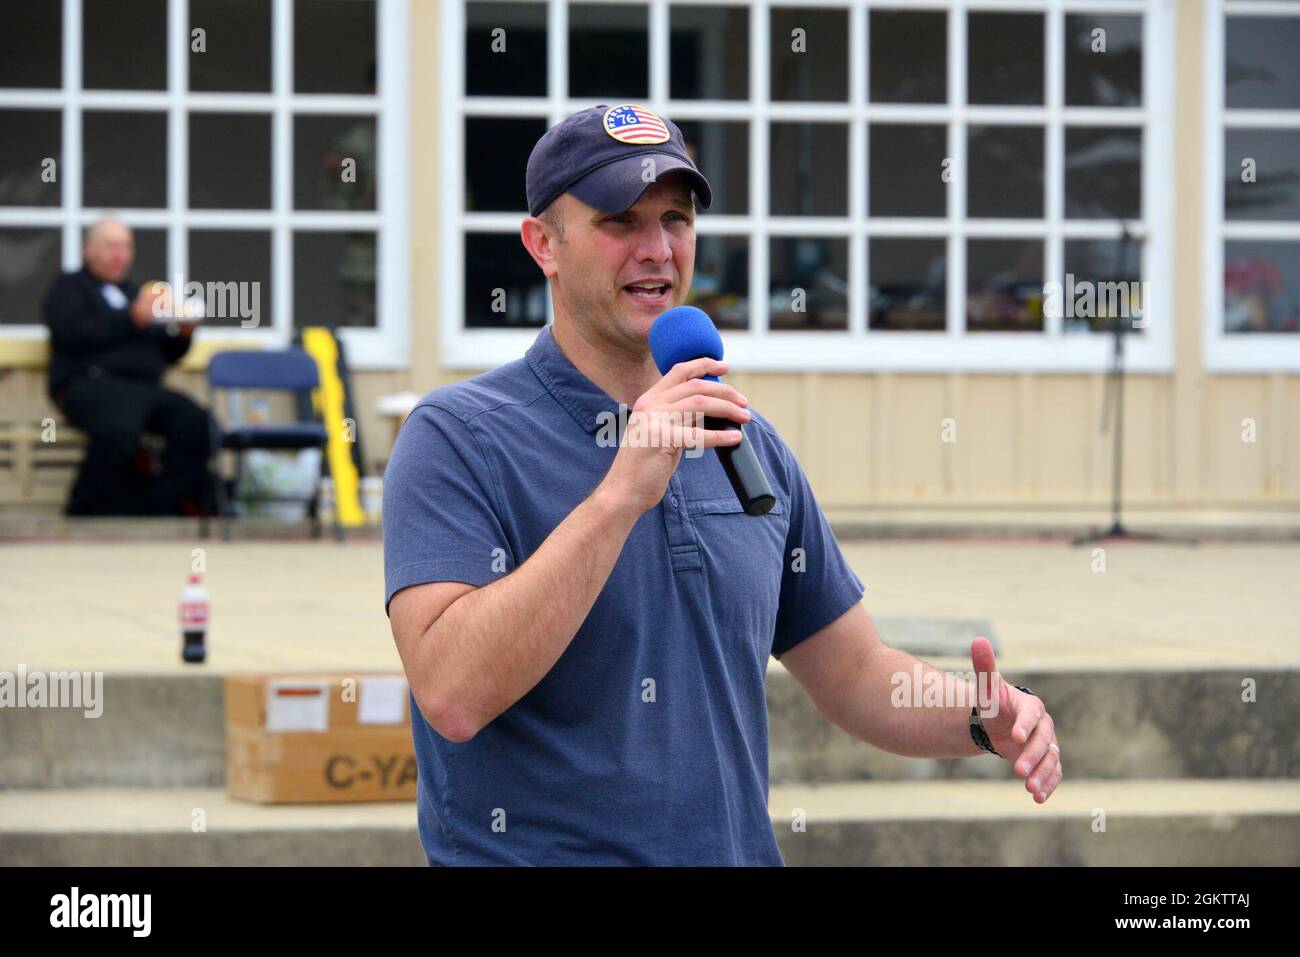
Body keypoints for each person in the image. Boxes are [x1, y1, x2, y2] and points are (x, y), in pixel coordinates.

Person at [383, 104, 1062, 866]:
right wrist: (617, 496)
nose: (657, 249)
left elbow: (855, 673)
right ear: (544, 243)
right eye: (619, 220)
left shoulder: (746, 439)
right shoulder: (457, 437)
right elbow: (452, 693)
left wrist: (980, 715)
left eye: (676, 218)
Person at [43, 218, 215, 516]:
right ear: (88, 249)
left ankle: (164, 503)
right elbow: (72, 333)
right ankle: (83, 508)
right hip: (86, 386)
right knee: (122, 423)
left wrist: (184, 333)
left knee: (197, 422)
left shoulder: (135, 293)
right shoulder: (69, 288)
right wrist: (129, 320)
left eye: (125, 247)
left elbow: (164, 351)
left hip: (143, 391)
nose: (119, 254)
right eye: (110, 246)